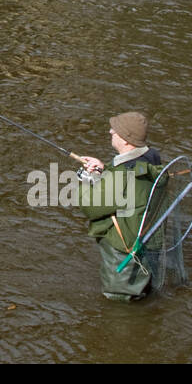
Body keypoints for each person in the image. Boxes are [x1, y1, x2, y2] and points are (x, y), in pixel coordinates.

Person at [76, 111, 164, 302]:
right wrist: (104, 169)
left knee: (120, 306)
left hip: (123, 247)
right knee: (145, 295)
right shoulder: (151, 157)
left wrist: (86, 179)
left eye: (114, 130)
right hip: (144, 237)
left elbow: (89, 207)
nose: (110, 131)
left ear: (125, 140)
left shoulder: (121, 177)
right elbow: (127, 183)